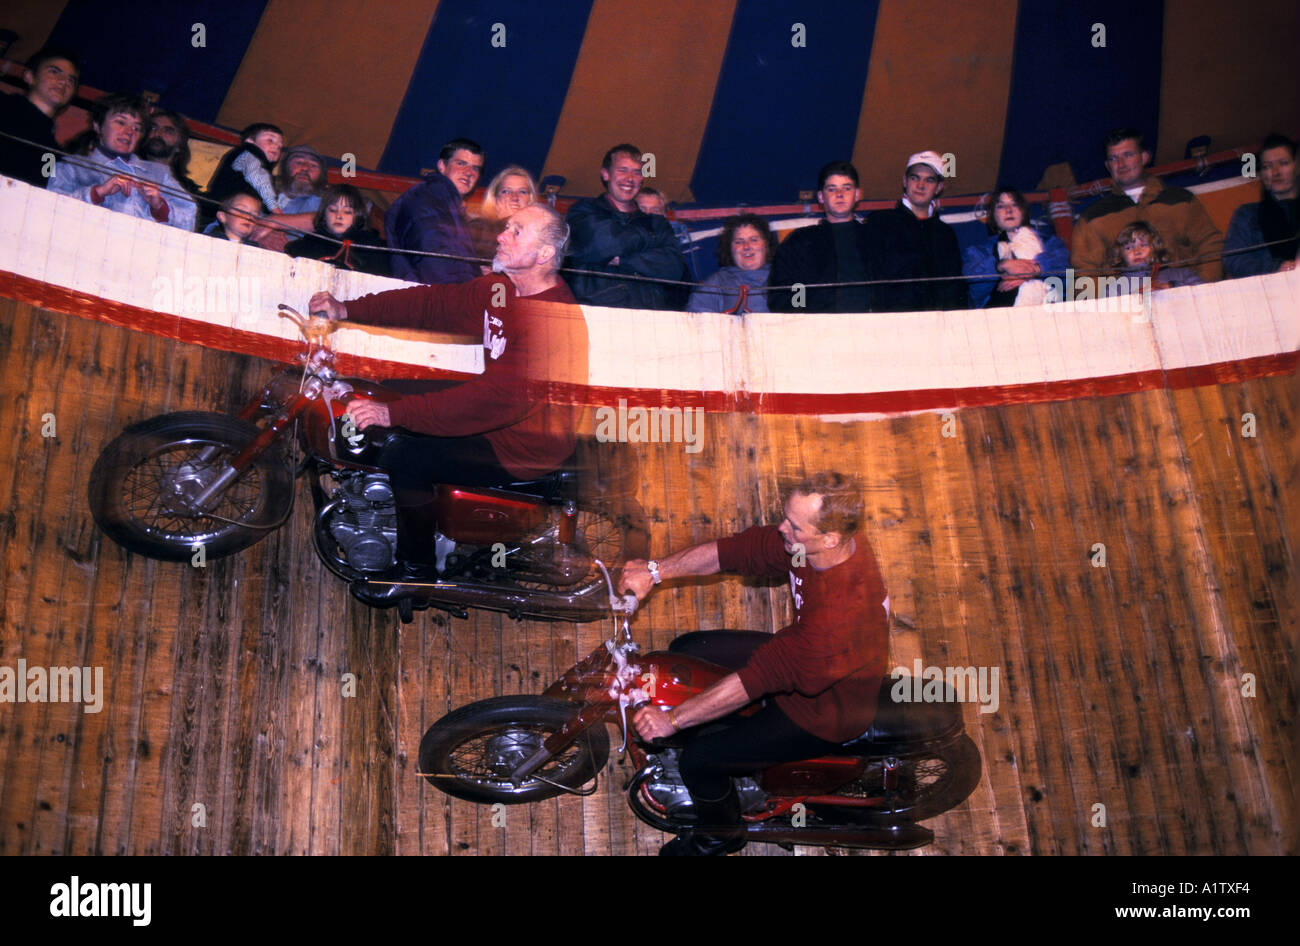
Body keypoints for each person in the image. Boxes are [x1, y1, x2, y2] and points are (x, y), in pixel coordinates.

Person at [307, 203, 587, 591]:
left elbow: (497, 400)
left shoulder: (552, 322)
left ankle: (415, 573)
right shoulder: (503, 291)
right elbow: (433, 306)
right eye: (506, 227)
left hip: (522, 443)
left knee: (407, 458)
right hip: (497, 412)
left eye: (516, 231)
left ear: (543, 255)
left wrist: (395, 414)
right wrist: (347, 309)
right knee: (385, 391)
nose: (501, 236)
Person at [622, 471, 889, 856]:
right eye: (785, 517)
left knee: (701, 760)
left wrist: (673, 720)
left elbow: (761, 676)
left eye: (794, 525)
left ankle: (720, 835)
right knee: (691, 648)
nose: (781, 528)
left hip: (820, 712)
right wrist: (654, 571)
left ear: (829, 538)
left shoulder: (843, 614)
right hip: (799, 655)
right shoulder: (815, 545)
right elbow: (739, 551)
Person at [1070, 128, 1224, 284]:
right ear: (1108, 166)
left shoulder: (1180, 199)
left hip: (1187, 298)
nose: (1121, 164)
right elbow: (1083, 273)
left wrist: (1203, 291)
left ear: (1144, 157)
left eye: (1128, 155)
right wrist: (1115, 304)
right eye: (1114, 158)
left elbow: (1210, 245)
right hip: (1125, 303)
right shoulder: (1092, 217)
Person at [47, 92, 196, 231]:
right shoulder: (70, 167)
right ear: (97, 126)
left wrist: (160, 206)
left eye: (137, 128)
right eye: (120, 122)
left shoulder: (159, 174)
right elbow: (48, 210)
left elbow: (190, 220)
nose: (129, 132)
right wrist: (96, 193)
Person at [564, 143, 687, 310]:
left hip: (649, 318)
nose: (630, 178)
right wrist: (649, 238)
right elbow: (606, 244)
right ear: (606, 174)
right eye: (623, 170)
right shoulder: (583, 211)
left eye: (637, 172)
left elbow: (674, 268)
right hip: (596, 316)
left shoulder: (657, 223)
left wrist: (623, 259)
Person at [864, 150, 966, 312]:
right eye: (915, 178)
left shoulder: (946, 234)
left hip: (939, 325)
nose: (921, 185)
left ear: (939, 187)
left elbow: (955, 287)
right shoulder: (880, 222)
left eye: (929, 180)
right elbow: (871, 278)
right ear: (904, 181)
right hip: (893, 323)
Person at [768, 160, 874, 313]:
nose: (839, 194)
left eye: (847, 188)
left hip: (871, 328)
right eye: (832, 189)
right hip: (817, 330)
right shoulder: (800, 241)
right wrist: (802, 315)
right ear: (821, 197)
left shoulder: (875, 238)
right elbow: (790, 287)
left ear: (857, 194)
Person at [385, 137, 484, 285]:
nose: (469, 172)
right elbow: (437, 266)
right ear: (442, 165)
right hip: (435, 299)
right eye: (461, 163)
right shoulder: (425, 200)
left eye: (475, 168)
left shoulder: (447, 206)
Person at [962, 187, 1070, 307]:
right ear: (993, 214)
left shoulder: (1050, 244)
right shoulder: (979, 252)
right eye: (1001, 206)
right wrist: (1001, 266)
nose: (1009, 210)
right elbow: (975, 289)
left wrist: (1035, 271)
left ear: (1023, 212)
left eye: (1015, 204)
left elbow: (1067, 277)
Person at [0, 45, 79, 186]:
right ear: (29, 76)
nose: (64, 82)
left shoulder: (52, 153)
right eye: (54, 72)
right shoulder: (4, 107)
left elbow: (45, 189)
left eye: (71, 80)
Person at [1223, 133, 1299, 278]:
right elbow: (1232, 261)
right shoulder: (1247, 215)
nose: (1276, 172)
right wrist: (1275, 268)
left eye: (1283, 163)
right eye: (1267, 166)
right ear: (1262, 174)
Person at [284, 184, 389, 276]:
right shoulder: (305, 245)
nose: (339, 216)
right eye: (333, 210)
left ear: (357, 215)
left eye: (347, 211)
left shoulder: (373, 250)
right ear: (324, 213)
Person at [686, 213, 775, 313]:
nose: (747, 246)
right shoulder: (714, 285)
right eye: (738, 242)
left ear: (766, 245)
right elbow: (695, 321)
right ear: (730, 249)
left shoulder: (785, 278)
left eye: (754, 240)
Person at [1102, 221, 1202, 292]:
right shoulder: (1115, 287)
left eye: (1143, 245)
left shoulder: (1181, 274)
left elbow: (1205, 291)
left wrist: (1171, 286)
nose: (1137, 251)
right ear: (1120, 254)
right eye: (1129, 248)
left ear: (1155, 247)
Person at [469, 165, 537, 269]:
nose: (515, 197)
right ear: (495, 199)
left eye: (522, 192)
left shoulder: (537, 234)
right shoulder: (477, 227)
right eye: (506, 191)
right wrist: (505, 221)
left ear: (530, 199)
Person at [138, 108, 201, 197]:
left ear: (180, 145)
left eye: (168, 131)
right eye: (153, 128)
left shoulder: (186, 190)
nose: (157, 134)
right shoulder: (126, 167)